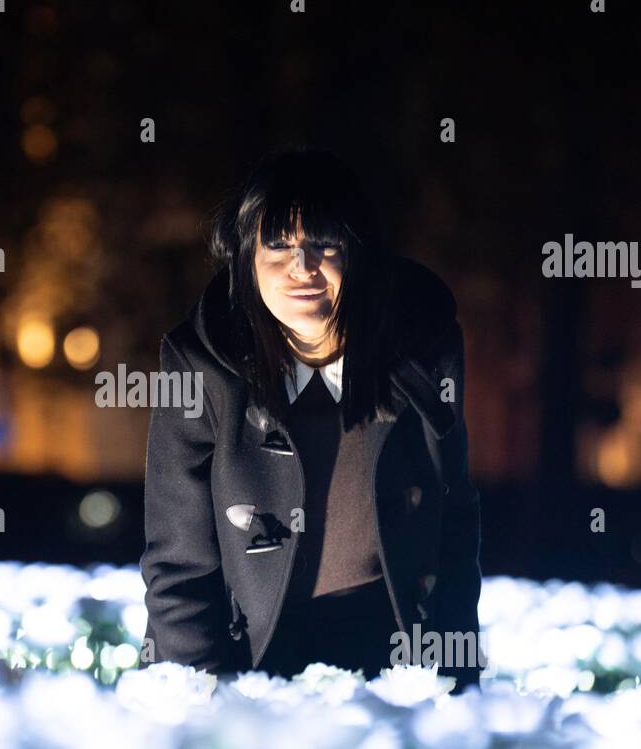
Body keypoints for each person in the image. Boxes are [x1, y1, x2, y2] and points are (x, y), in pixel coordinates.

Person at [138, 146, 484, 691]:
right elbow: (177, 560)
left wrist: (456, 682)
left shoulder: (424, 351)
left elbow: (454, 522)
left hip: (392, 659)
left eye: (324, 243)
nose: (302, 269)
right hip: (249, 659)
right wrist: (203, 698)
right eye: (277, 245)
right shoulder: (201, 365)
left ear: (359, 253)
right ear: (245, 257)